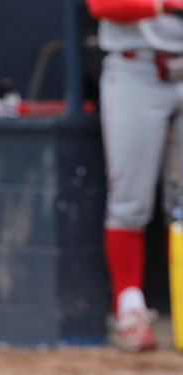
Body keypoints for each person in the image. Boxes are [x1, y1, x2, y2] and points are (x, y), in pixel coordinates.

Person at [86, 0, 183, 351]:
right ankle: (129, 311)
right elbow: (102, 5)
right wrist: (166, 5)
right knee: (130, 201)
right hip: (136, 68)